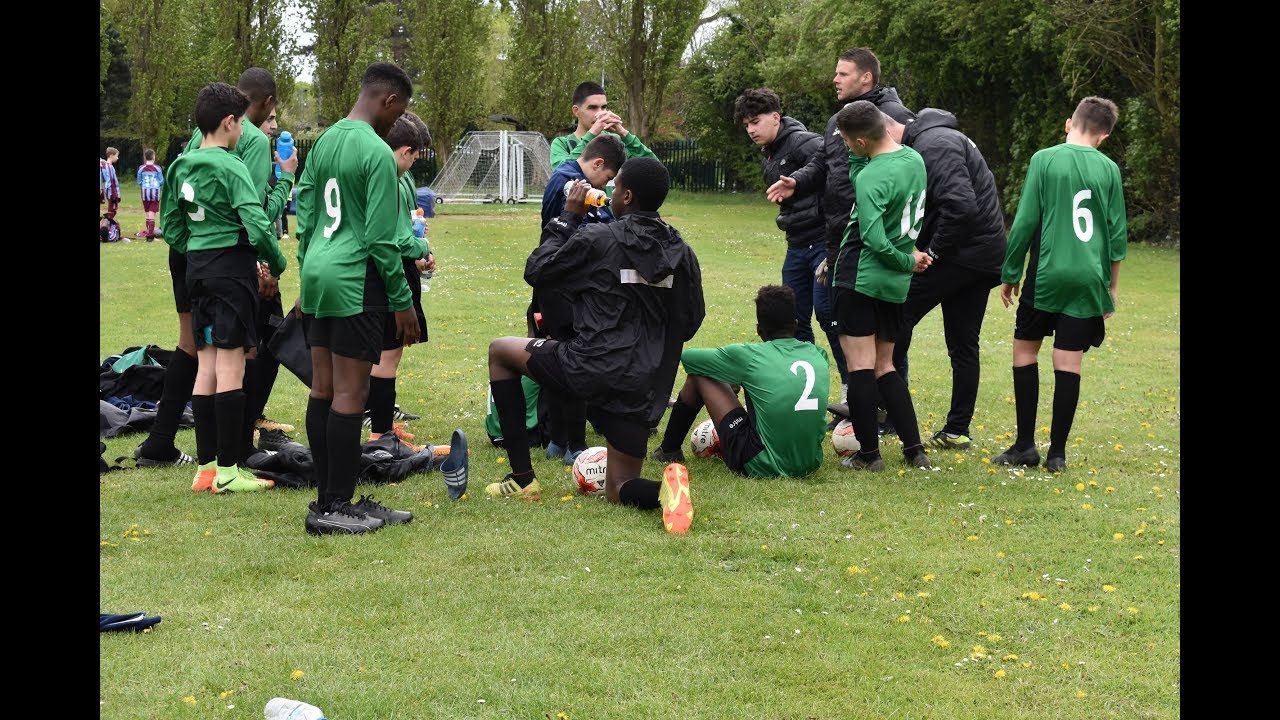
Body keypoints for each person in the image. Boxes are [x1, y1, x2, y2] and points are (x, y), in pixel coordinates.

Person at [486, 157, 705, 535]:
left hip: (590, 367)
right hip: (645, 384)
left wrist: (568, 216)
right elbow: (691, 321)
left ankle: (522, 479)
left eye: (616, 186)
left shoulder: (599, 238)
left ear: (628, 196)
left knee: (500, 351)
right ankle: (664, 492)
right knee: (618, 488)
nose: (611, 192)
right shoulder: (681, 252)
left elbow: (537, 270)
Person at [133, 67, 299, 467]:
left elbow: (173, 222)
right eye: (240, 124)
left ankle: (186, 454)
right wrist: (285, 186)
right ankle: (234, 456)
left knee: (197, 351)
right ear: (235, 120)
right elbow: (256, 217)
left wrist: (196, 246)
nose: (245, 129)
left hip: (192, 264)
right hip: (231, 263)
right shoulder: (246, 150)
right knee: (240, 358)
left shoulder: (186, 156)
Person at [294, 61, 418, 535]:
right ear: (387, 101)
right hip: (354, 279)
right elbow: (382, 239)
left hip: (320, 273)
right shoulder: (377, 152)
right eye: (398, 111)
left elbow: (305, 213)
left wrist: (307, 274)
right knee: (352, 392)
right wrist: (402, 301)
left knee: (322, 389)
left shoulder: (323, 141)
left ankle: (328, 498)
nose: (396, 122)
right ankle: (338, 507)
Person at [766, 47, 915, 417]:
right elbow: (822, 164)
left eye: (843, 74)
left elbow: (906, 178)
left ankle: (885, 410)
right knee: (842, 319)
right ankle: (861, 402)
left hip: (876, 240)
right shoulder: (838, 119)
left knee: (882, 336)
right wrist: (795, 182)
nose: (835, 79)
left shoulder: (894, 118)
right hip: (838, 237)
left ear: (866, 77)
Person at [995, 96, 1127, 473]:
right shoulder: (1110, 170)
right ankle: (1057, 454)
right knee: (1068, 362)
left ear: (1070, 123)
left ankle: (1024, 446)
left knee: (1025, 353)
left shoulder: (1045, 159)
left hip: (1048, 273)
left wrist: (1010, 273)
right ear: (1104, 135)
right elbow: (1117, 235)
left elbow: (1024, 223)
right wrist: (1111, 288)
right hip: (1088, 279)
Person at [879, 108, 1007, 451]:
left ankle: (887, 413)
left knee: (894, 317)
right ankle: (956, 431)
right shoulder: (941, 138)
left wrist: (932, 252)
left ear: (891, 128)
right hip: (982, 256)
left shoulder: (935, 144)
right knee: (964, 343)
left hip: (963, 255)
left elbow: (961, 207)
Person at [829, 101, 933, 472]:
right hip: (894, 283)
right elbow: (867, 177)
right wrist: (909, 260)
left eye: (845, 141)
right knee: (885, 366)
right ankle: (914, 450)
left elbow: (872, 238)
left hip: (860, 275)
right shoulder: (913, 160)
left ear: (859, 141)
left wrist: (908, 259)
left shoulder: (873, 176)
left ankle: (869, 455)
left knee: (860, 366)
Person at [733, 88, 846, 397]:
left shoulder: (806, 142)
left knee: (828, 314)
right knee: (793, 321)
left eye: (755, 121)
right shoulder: (768, 154)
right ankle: (808, 387)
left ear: (776, 117)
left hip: (823, 243)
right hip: (796, 245)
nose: (751, 130)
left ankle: (852, 389)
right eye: (746, 125)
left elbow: (835, 176)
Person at [652, 285, 829, 479]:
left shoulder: (751, 356)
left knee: (699, 375)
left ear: (759, 330)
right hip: (810, 462)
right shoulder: (819, 354)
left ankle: (669, 450)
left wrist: (729, 377)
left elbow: (689, 358)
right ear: (796, 324)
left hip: (762, 464)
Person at [533, 134, 627, 464]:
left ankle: (559, 440)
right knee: (576, 364)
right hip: (564, 289)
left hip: (567, 287)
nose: (608, 186)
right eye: (609, 178)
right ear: (598, 165)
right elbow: (560, 236)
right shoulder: (568, 183)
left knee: (563, 362)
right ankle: (574, 445)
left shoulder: (578, 181)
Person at [364, 111, 452, 465]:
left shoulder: (398, 177)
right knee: (387, 353)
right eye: (415, 155)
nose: (415, 162)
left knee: (391, 351)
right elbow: (395, 238)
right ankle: (380, 433)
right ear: (403, 150)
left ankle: (382, 426)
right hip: (391, 272)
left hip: (399, 267)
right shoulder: (391, 178)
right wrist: (420, 250)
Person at [548, 81, 658, 170]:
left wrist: (625, 134)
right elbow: (562, 173)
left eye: (604, 107)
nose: (600, 113)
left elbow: (654, 168)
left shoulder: (616, 141)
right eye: (592, 108)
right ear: (576, 111)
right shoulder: (562, 144)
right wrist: (591, 134)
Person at [136, 148, 165, 241]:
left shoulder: (141, 168)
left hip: (145, 193)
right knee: (152, 214)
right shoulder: (157, 168)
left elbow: (139, 181)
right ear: (154, 157)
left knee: (147, 213)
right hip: (155, 193)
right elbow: (161, 181)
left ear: (145, 157)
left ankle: (149, 233)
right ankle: (150, 236)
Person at [101, 147, 121, 224]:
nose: (117, 158)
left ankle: (107, 223)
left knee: (113, 209)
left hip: (112, 191)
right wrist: (114, 194)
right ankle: (106, 224)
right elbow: (111, 181)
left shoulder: (106, 165)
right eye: (116, 156)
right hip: (112, 192)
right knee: (112, 210)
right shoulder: (109, 166)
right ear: (111, 155)